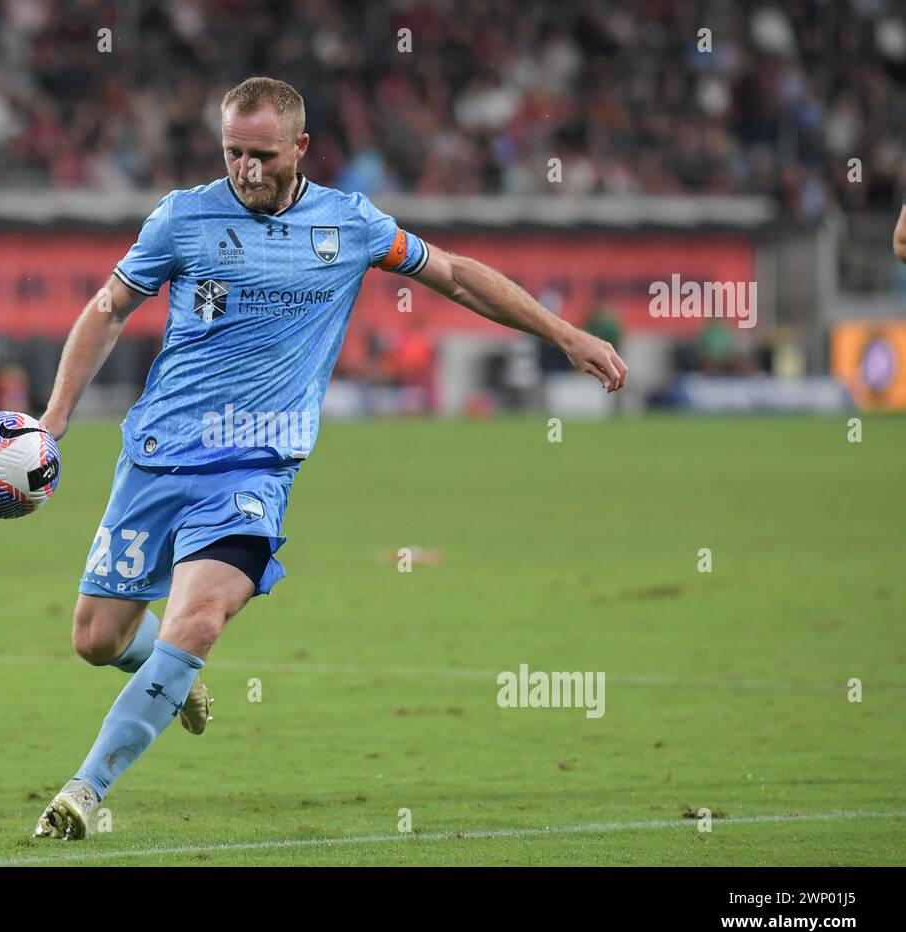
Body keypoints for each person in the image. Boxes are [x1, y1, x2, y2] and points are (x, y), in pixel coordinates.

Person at [33, 77, 627, 839]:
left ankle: (85, 790)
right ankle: (174, 683)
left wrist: (565, 335)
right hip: (157, 456)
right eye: (233, 154)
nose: (245, 170)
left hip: (254, 469)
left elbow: (450, 273)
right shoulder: (183, 217)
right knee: (97, 639)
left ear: (301, 148)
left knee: (200, 620)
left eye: (262, 155)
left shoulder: (350, 225)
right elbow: (110, 306)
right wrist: (54, 418)